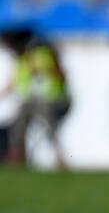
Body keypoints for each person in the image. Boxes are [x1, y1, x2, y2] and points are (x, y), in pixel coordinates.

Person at [0, 26, 71, 168]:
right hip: (33, 102)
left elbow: (57, 74)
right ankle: (18, 157)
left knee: (47, 122)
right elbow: (14, 82)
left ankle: (60, 158)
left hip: (54, 100)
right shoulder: (23, 60)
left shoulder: (39, 55)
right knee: (18, 121)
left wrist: (42, 70)